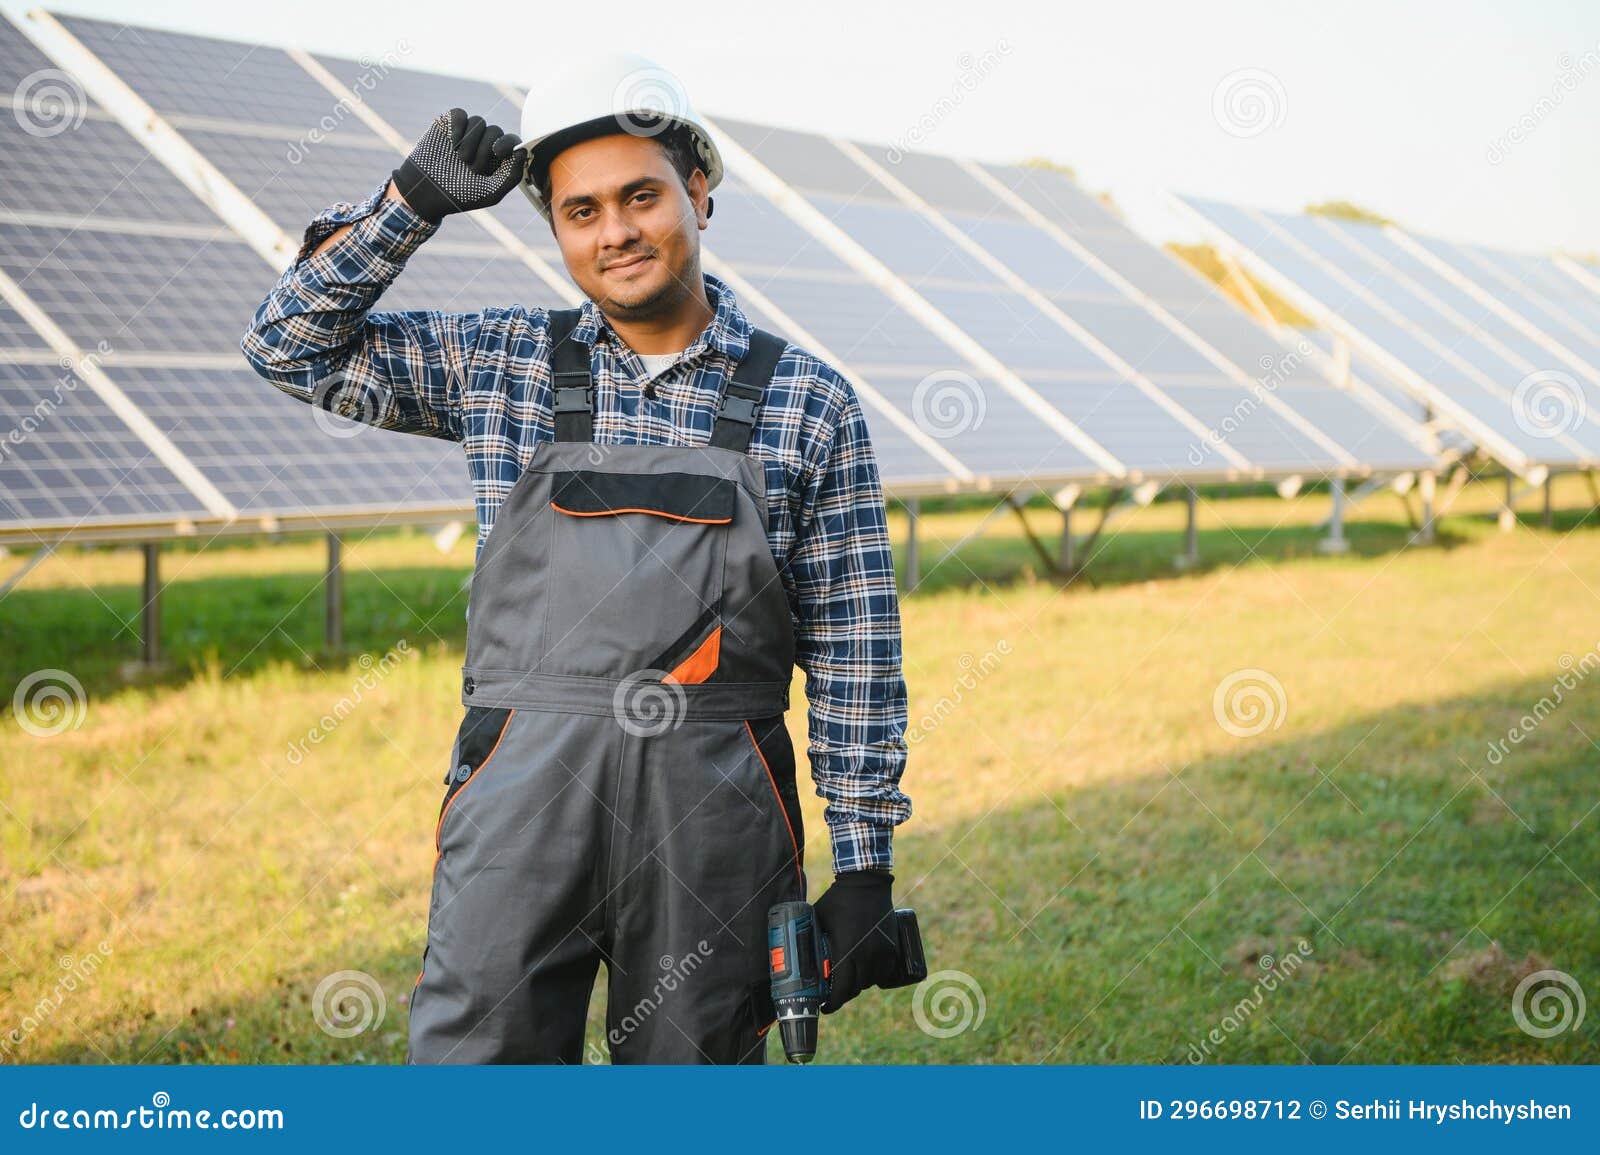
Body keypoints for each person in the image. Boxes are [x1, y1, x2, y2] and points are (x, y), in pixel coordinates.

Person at [241, 52, 912, 1064]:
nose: (616, 234)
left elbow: (855, 645)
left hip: (716, 811)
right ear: (554, 228)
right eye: (581, 212)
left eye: (639, 197)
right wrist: (408, 205)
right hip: (520, 800)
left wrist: (864, 864)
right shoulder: (502, 363)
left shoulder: (807, 401)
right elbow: (290, 345)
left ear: (697, 190)